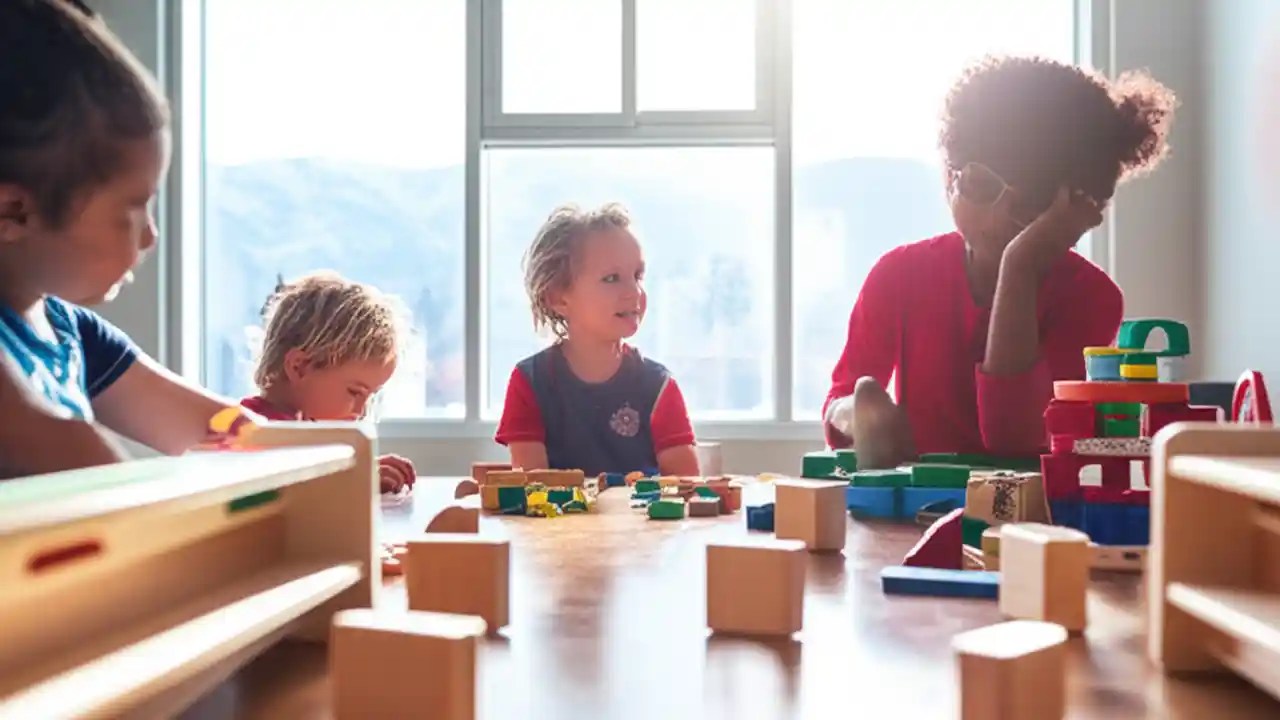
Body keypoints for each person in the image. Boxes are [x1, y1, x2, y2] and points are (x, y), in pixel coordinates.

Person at [824, 55, 1177, 468]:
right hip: (909, 512)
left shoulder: (1091, 298)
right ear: (950, 177)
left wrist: (1020, 268)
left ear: (1074, 208)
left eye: (1030, 204)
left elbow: (1018, 439)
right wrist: (858, 410)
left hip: (1031, 519)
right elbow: (839, 407)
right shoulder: (899, 275)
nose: (999, 217)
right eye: (980, 185)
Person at [0, 0, 248, 478]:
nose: (151, 236)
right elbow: (57, 445)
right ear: (13, 211)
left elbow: (217, 428)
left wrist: (330, 453)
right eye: (133, 209)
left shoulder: (72, 333)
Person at [495, 203, 699, 477]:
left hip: (640, 521)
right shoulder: (530, 382)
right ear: (558, 298)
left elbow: (686, 490)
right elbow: (532, 489)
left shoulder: (659, 386)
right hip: (558, 521)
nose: (633, 292)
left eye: (637, 276)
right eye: (612, 278)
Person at [242, 272, 417, 493]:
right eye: (355, 392)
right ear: (299, 367)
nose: (361, 411)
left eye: (371, 396)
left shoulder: (305, 431)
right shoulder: (255, 432)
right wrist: (357, 480)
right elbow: (284, 496)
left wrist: (363, 474)